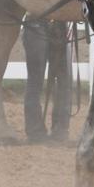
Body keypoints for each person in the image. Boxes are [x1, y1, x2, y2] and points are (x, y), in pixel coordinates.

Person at [21, 15, 72, 143]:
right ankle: (36, 131)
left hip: (59, 23)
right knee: (36, 79)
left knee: (64, 79)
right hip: (37, 21)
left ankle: (60, 129)